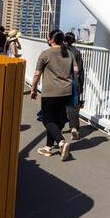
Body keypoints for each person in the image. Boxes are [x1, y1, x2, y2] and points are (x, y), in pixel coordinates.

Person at [29, 29, 74, 159]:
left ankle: (61, 142)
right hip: (66, 91)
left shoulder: (45, 54)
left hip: (50, 92)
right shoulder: (69, 54)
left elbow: (37, 73)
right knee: (56, 121)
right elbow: (74, 72)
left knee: (47, 120)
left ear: (51, 40)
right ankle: (48, 148)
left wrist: (33, 90)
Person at [63, 32, 85, 139]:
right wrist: (81, 85)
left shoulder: (60, 51)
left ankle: (57, 128)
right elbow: (80, 70)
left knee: (60, 104)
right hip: (74, 81)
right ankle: (74, 128)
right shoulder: (76, 52)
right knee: (73, 106)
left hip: (61, 81)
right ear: (74, 41)